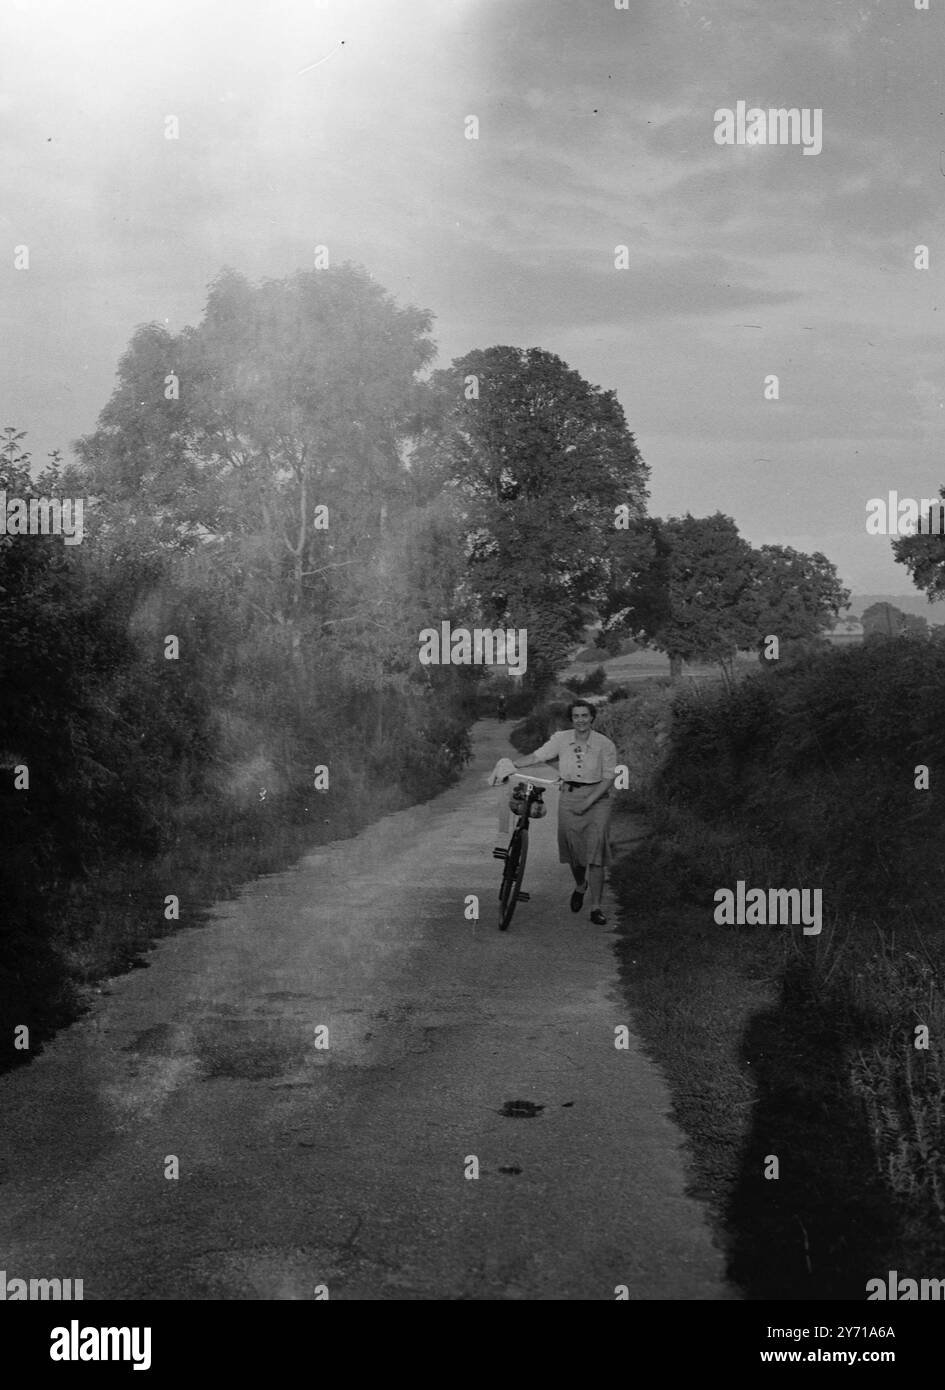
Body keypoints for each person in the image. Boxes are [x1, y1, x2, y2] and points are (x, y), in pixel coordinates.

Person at [495, 700, 617, 924]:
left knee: (596, 853)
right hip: (569, 797)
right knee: (574, 853)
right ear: (571, 719)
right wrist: (512, 765)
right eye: (576, 716)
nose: (581, 720)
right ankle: (581, 885)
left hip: (598, 800)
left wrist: (589, 801)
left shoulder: (605, 744)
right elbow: (536, 757)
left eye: (585, 716)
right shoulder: (561, 739)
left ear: (592, 718)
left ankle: (596, 907)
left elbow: (609, 777)